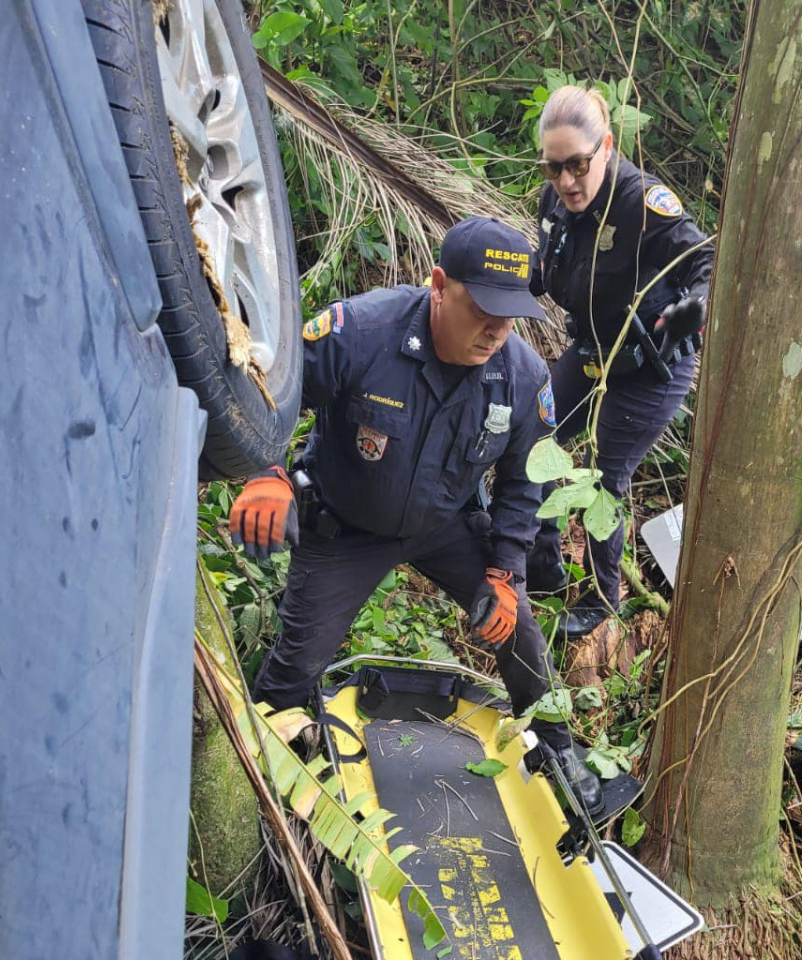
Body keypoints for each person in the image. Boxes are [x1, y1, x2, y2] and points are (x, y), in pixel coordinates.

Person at [229, 216, 604, 818]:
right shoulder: (364, 331)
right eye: (482, 308)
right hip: (346, 525)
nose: (496, 330)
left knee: (521, 631)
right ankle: (267, 781)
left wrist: (505, 574)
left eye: (510, 316)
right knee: (292, 670)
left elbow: (523, 483)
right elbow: (273, 384)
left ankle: (558, 750)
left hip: (444, 525)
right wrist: (266, 471)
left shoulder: (522, 377)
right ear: (438, 284)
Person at [525, 86, 713, 641]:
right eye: (554, 168)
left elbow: (705, 258)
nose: (567, 181)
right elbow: (544, 269)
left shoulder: (642, 202)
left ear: (606, 147)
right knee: (539, 436)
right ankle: (543, 563)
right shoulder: (555, 203)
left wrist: (695, 308)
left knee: (608, 473)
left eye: (578, 165)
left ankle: (605, 597)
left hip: (649, 365)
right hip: (590, 352)